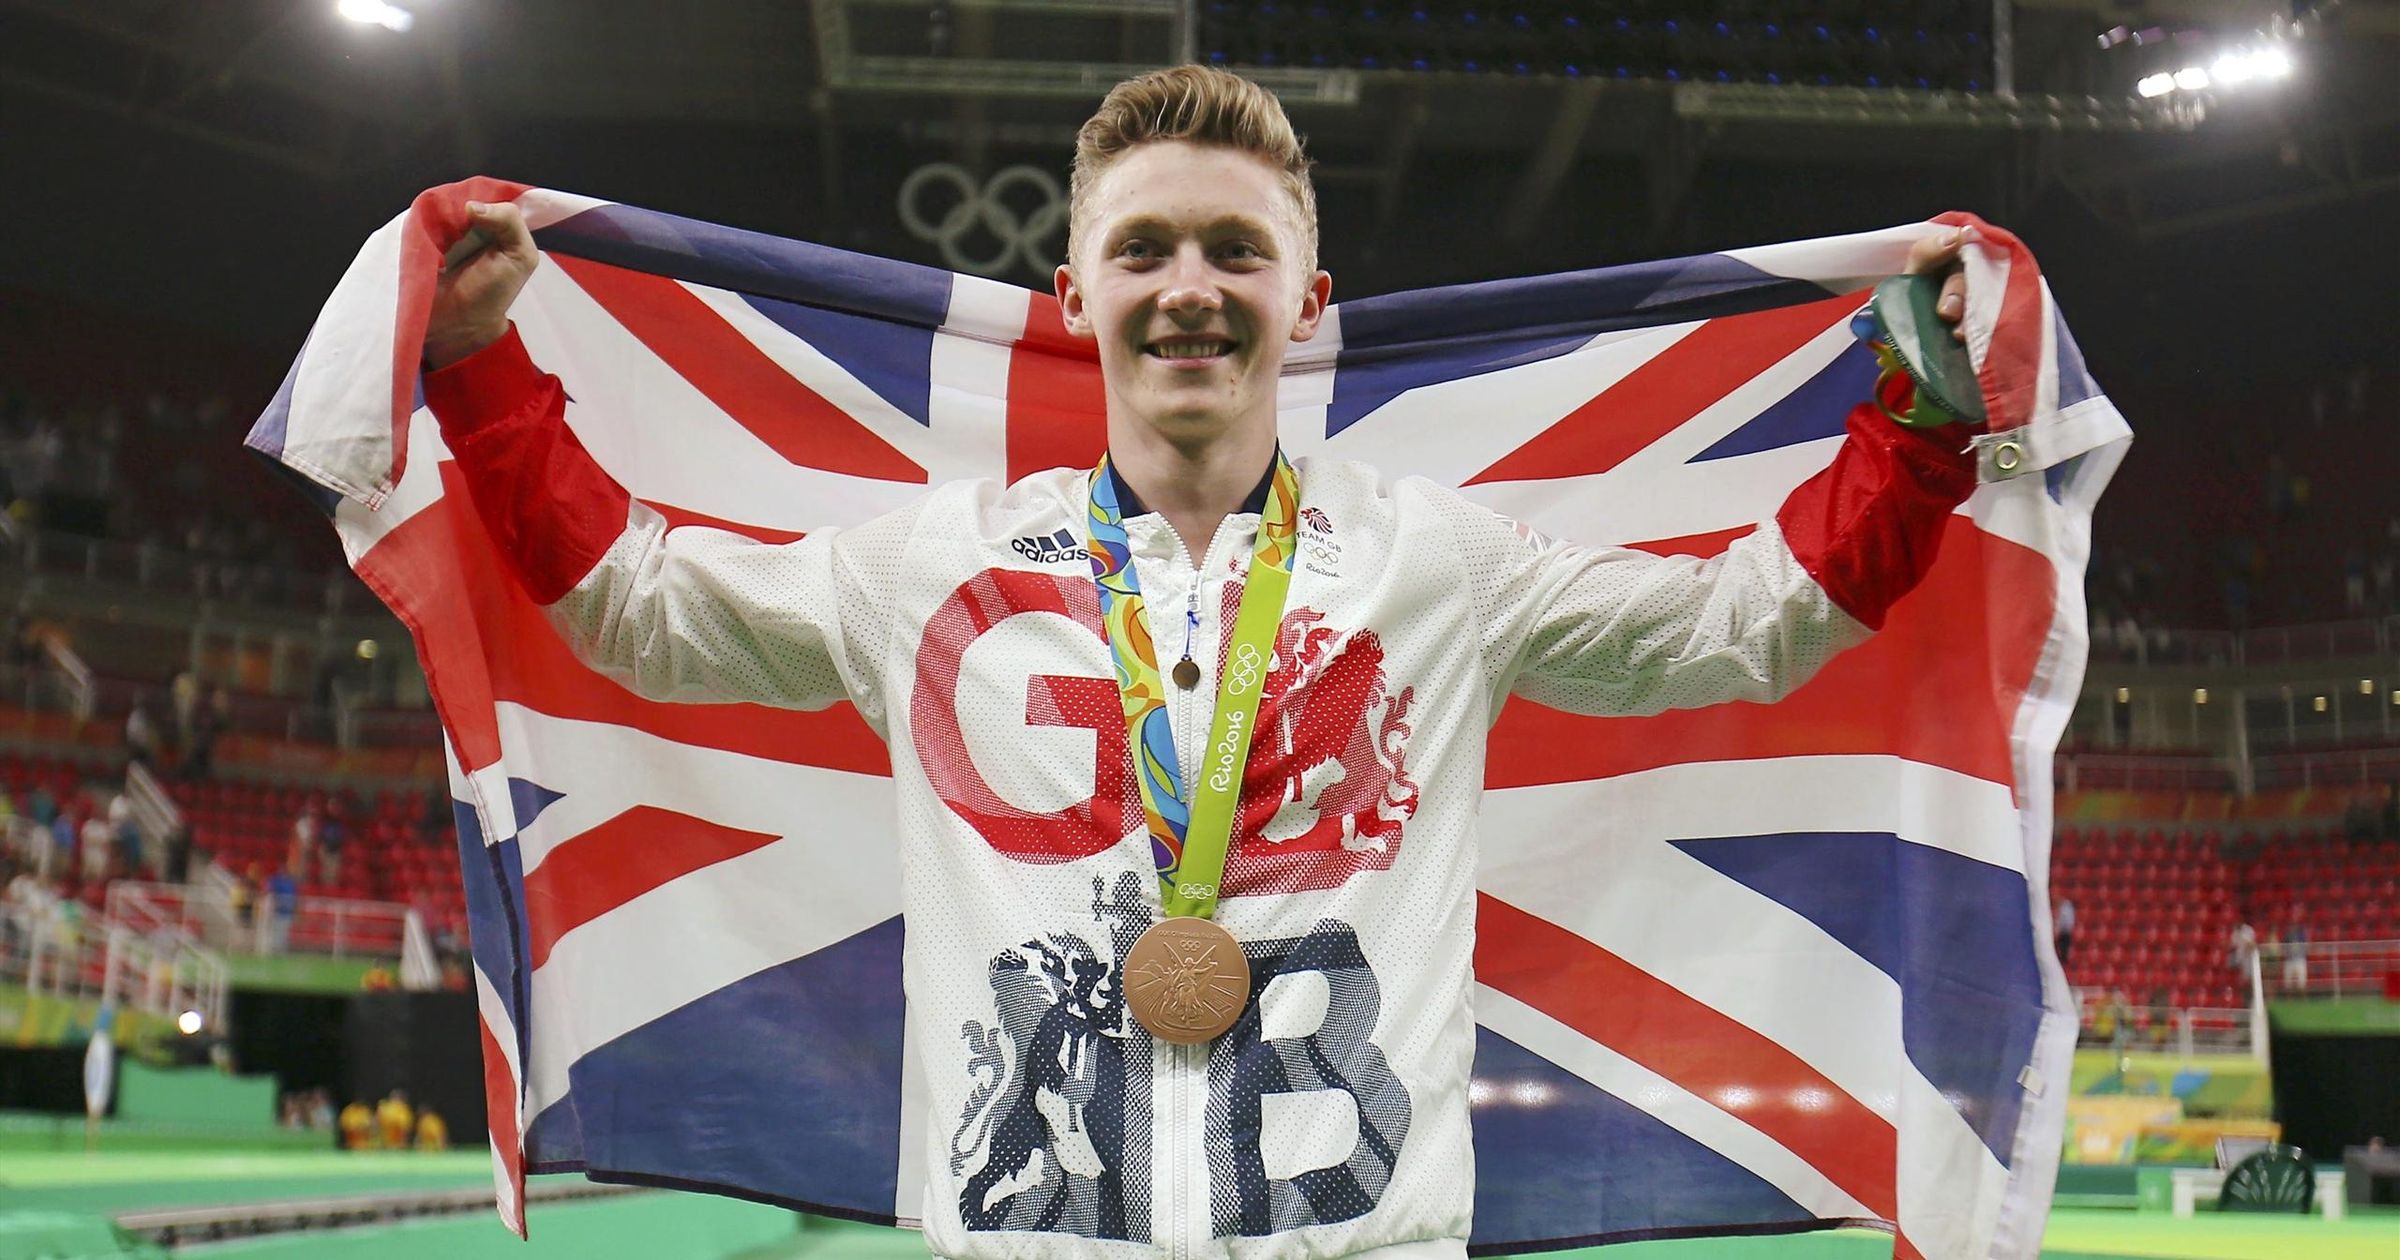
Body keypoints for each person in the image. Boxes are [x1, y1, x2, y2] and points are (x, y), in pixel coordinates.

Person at [420, 65, 1987, 1260]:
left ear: (1304, 306)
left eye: (1236, 252)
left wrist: (1917, 428)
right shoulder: (928, 564)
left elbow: (1751, 623)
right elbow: (635, 605)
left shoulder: (1438, 563)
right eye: (1145, 248)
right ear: (1074, 295)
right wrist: (483, 365)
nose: (1190, 287)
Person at [2055, 896, 2077, 966]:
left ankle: (2063, 958)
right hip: (2062, 932)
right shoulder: (2064, 908)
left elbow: (2068, 922)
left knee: (2064, 944)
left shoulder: (2066, 908)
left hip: (2065, 932)